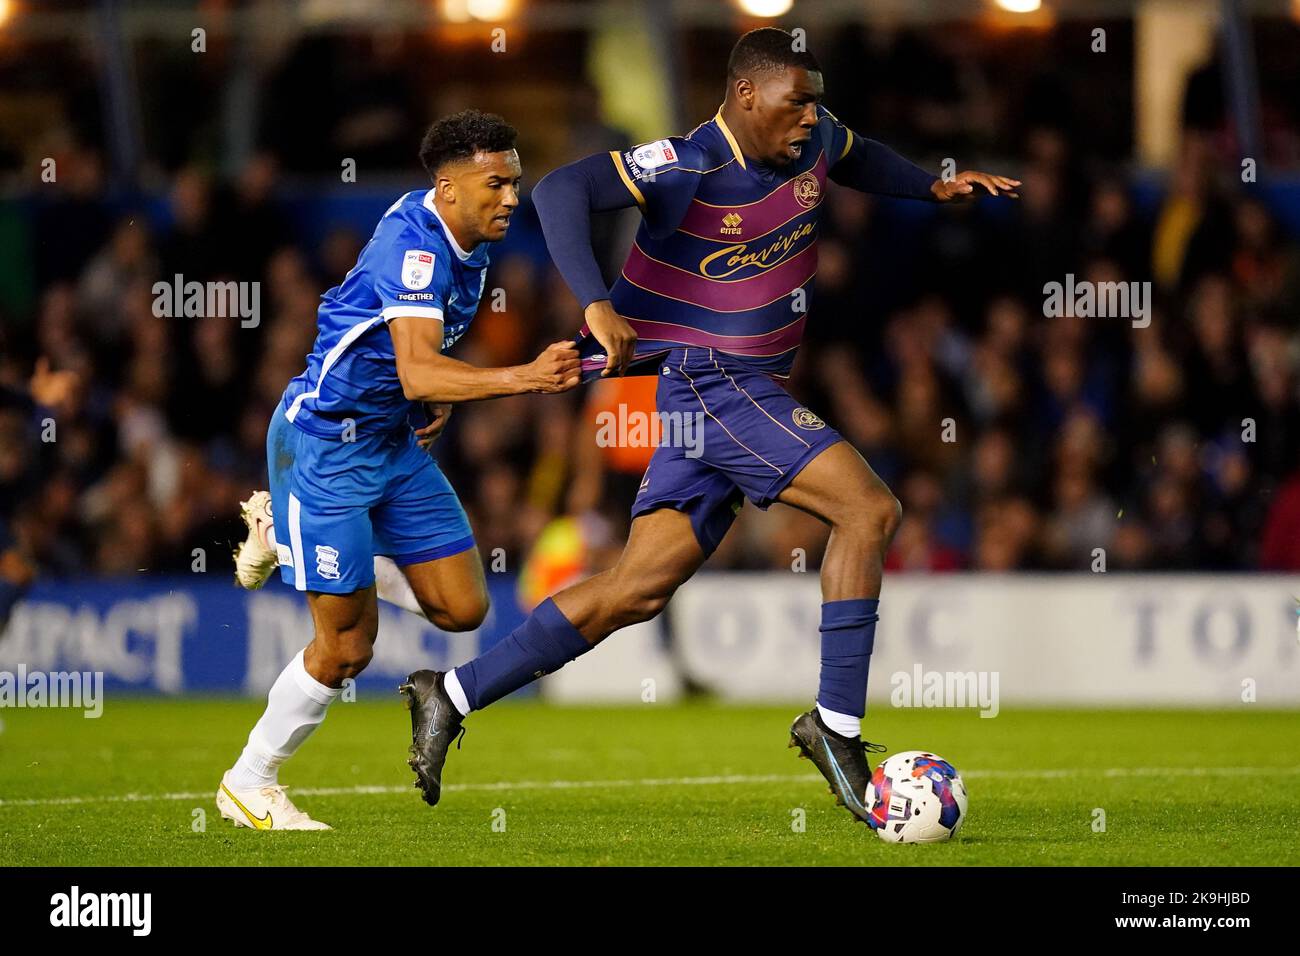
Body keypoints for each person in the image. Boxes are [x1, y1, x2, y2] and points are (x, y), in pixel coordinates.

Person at [402, 29, 1018, 826]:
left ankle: (450, 692)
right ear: (745, 96)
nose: (811, 115)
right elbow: (558, 192)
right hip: (716, 378)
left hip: (722, 392)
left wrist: (931, 188)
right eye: (796, 100)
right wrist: (593, 301)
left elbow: (857, 154)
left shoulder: (813, 139)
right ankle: (835, 728)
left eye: (816, 99)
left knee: (637, 588)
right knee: (869, 510)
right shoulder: (690, 164)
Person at [218, 110, 580, 831]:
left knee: (462, 607)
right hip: (324, 450)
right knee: (348, 647)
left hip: (391, 441)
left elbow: (410, 368)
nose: (512, 197)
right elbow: (417, 367)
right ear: (447, 188)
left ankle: (286, 539)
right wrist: (523, 379)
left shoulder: (465, 234)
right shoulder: (417, 248)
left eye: (515, 182)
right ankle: (248, 782)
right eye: (496, 184)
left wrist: (425, 399)